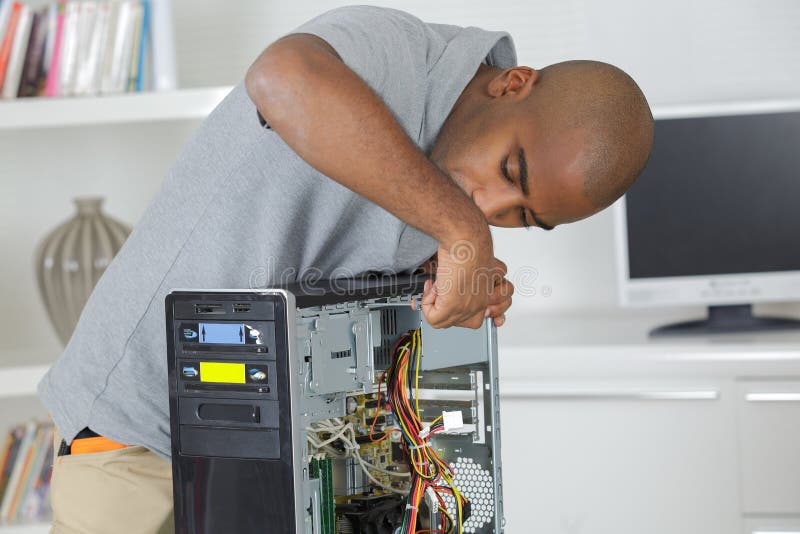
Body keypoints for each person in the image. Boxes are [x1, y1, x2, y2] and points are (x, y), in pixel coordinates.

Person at [39, 5, 653, 533]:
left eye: (522, 217)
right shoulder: (397, 51)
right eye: (511, 171)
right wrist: (462, 235)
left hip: (267, 466)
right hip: (138, 442)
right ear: (512, 84)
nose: (490, 207)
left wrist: (453, 290)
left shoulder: (450, 191)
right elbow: (282, 80)